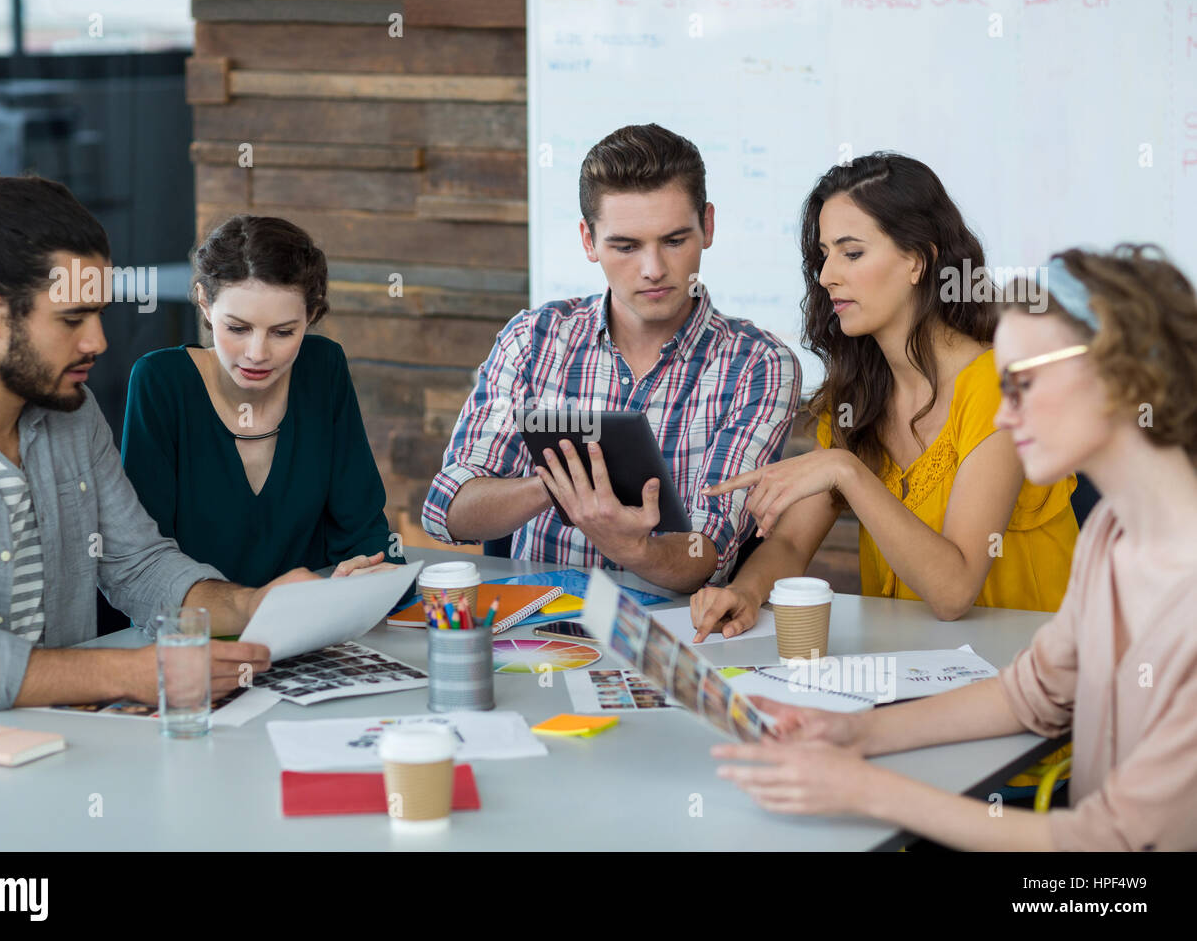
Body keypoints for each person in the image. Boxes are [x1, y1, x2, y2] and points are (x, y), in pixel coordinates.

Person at [713, 245, 1197, 851]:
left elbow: (1111, 848)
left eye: (1022, 384)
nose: (1000, 417)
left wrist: (863, 791)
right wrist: (853, 733)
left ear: (1119, 372)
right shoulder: (1115, 534)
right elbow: (1034, 693)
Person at [0, 154, 318, 711]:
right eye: (72, 319)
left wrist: (254, 604)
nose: (98, 341)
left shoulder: (71, 411)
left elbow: (138, 564)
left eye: (99, 313)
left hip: (71, 749)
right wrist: (125, 673)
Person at [692, 153, 1078, 638]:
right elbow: (791, 541)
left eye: (851, 253)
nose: (827, 274)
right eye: (824, 254)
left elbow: (954, 591)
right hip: (919, 669)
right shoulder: (857, 397)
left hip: (1033, 678)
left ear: (918, 260)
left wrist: (845, 469)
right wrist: (744, 592)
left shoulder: (999, 384)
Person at [421, 124, 800, 593]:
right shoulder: (534, 339)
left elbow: (708, 552)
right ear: (588, 241)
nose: (654, 269)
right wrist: (558, 486)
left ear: (709, 226)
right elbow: (447, 511)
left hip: (676, 635)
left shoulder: (759, 365)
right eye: (626, 246)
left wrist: (632, 548)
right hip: (535, 630)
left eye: (675, 240)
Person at [121, 214, 400, 588]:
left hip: (313, 629)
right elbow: (144, 562)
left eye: (283, 332)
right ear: (204, 303)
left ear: (311, 314)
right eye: (237, 328)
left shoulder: (322, 368)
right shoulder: (161, 382)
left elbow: (364, 531)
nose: (257, 353)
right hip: (197, 633)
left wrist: (374, 572)